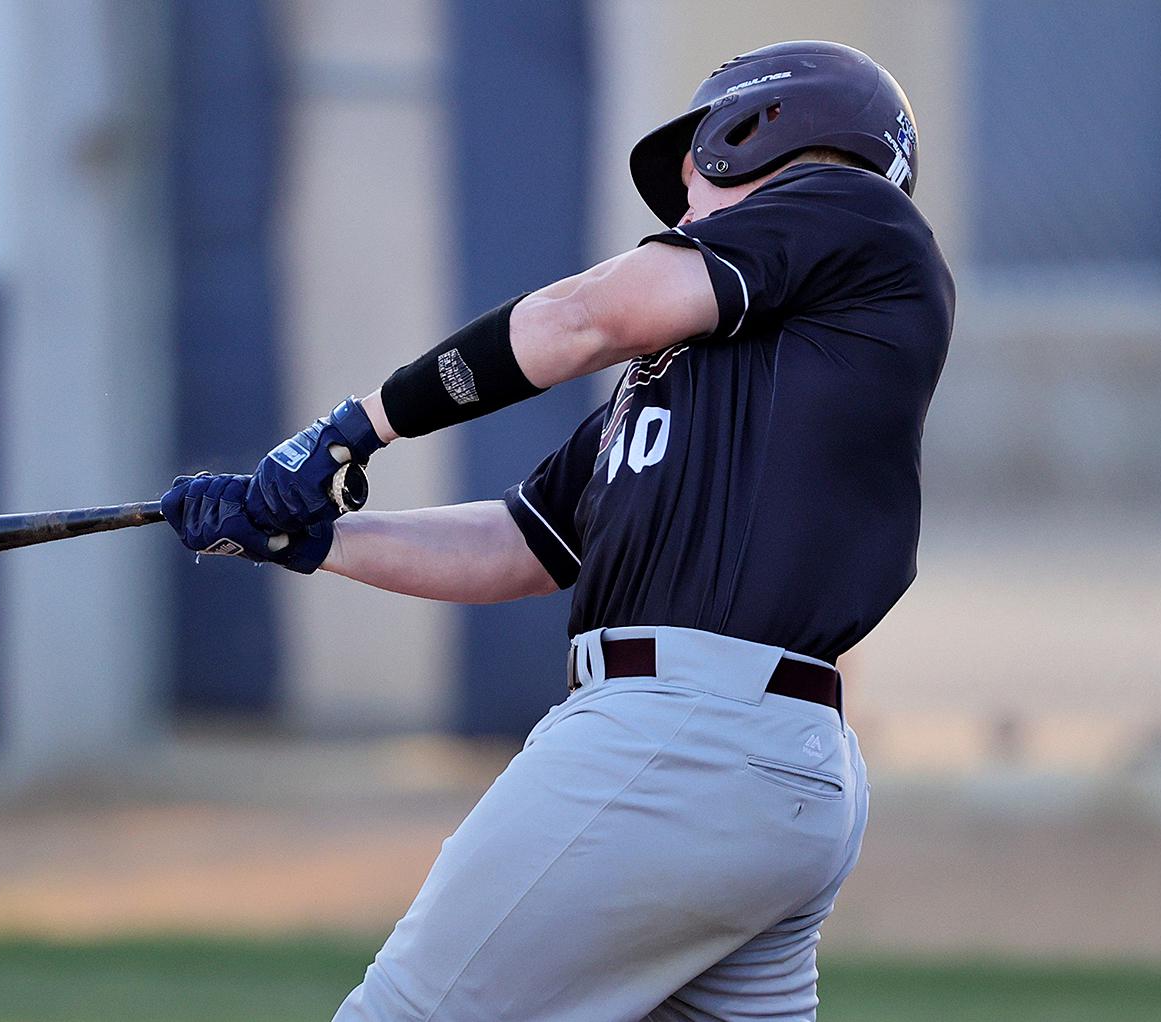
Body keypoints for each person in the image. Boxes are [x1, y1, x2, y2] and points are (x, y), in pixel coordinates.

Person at [162, 40, 952, 1021]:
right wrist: (310, 540)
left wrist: (354, 425)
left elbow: (589, 314)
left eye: (696, 171)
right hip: (760, 767)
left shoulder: (855, 210)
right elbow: (523, 543)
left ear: (762, 131)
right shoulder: (702, 373)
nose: (682, 209)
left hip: (681, 737)